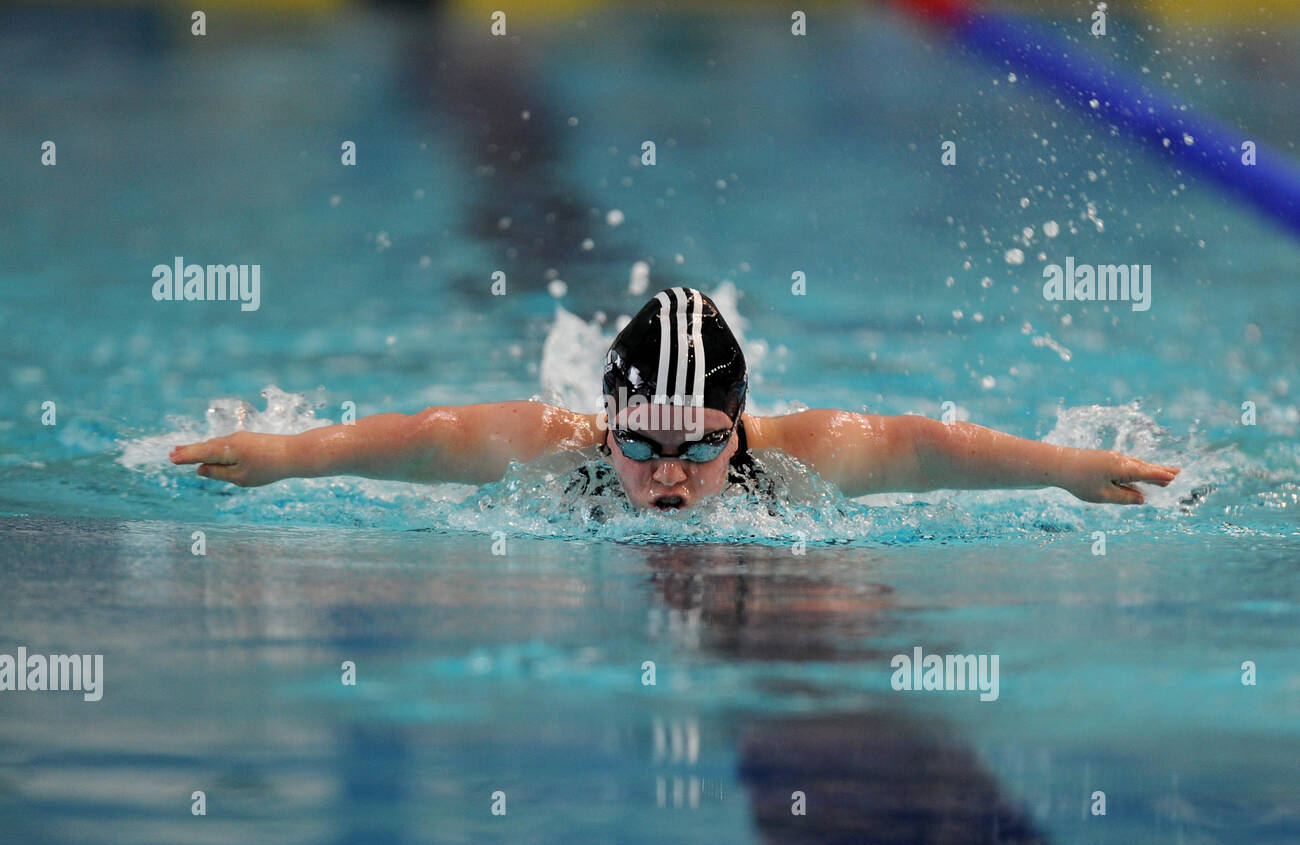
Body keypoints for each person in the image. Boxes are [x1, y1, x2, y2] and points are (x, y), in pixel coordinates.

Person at [169, 286, 1180, 511]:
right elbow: (419, 439)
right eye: (641, 445)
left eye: (699, 449)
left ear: (737, 428)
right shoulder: (553, 441)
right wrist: (286, 456)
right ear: (607, 422)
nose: (668, 477)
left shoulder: (801, 452)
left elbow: (928, 449)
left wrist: (1068, 471)